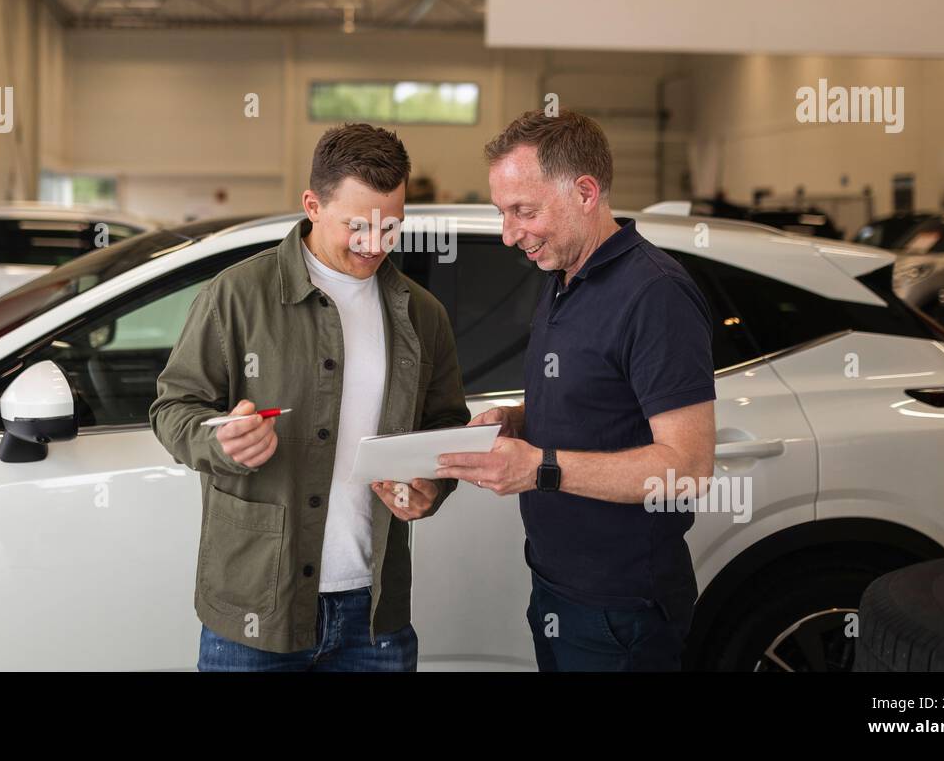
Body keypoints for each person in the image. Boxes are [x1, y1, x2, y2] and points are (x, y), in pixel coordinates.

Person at [150, 123, 469, 671]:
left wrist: (432, 487)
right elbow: (172, 409)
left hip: (373, 615)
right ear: (312, 205)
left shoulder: (422, 314)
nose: (375, 243)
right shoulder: (236, 296)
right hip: (257, 609)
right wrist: (223, 443)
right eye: (357, 226)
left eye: (390, 226)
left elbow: (445, 425)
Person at [436, 109, 716, 671]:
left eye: (523, 211)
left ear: (585, 192)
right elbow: (599, 405)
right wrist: (518, 419)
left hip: (622, 608)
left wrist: (541, 467)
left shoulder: (654, 295)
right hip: (557, 586)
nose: (509, 234)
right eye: (502, 213)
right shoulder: (563, 276)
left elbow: (687, 467)